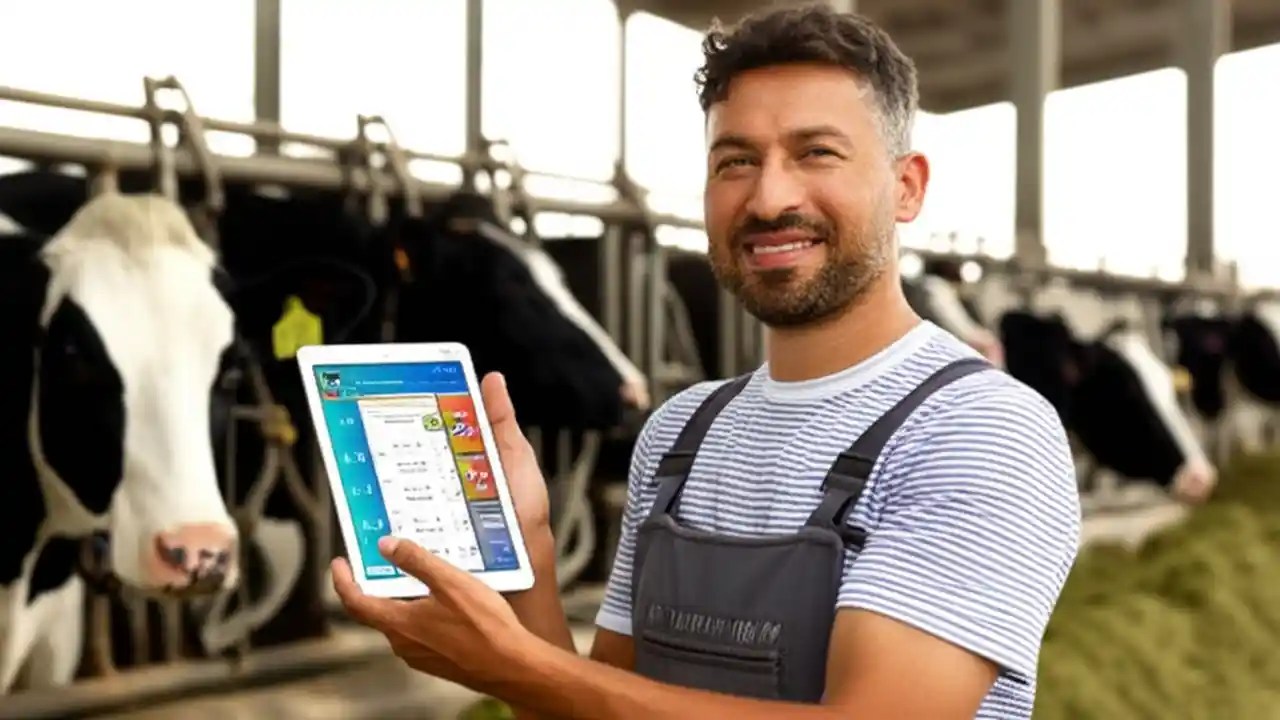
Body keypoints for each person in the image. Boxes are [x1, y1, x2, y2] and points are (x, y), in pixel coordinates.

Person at [332, 4, 1082, 719]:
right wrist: (527, 547)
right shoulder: (682, 432)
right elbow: (584, 708)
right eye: (735, 161)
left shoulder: (980, 430)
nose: (767, 197)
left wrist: (509, 664)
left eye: (816, 152)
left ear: (907, 186)